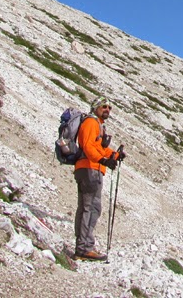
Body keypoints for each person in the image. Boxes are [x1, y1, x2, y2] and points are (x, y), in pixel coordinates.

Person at [73, 97, 125, 261]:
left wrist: (114, 155)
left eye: (109, 107)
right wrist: (103, 160)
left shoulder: (97, 125)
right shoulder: (91, 123)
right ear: (95, 107)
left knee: (87, 208)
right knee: (91, 208)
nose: (107, 109)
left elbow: (98, 148)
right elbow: (88, 147)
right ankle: (84, 248)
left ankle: (83, 246)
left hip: (89, 168)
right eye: (104, 106)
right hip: (90, 169)